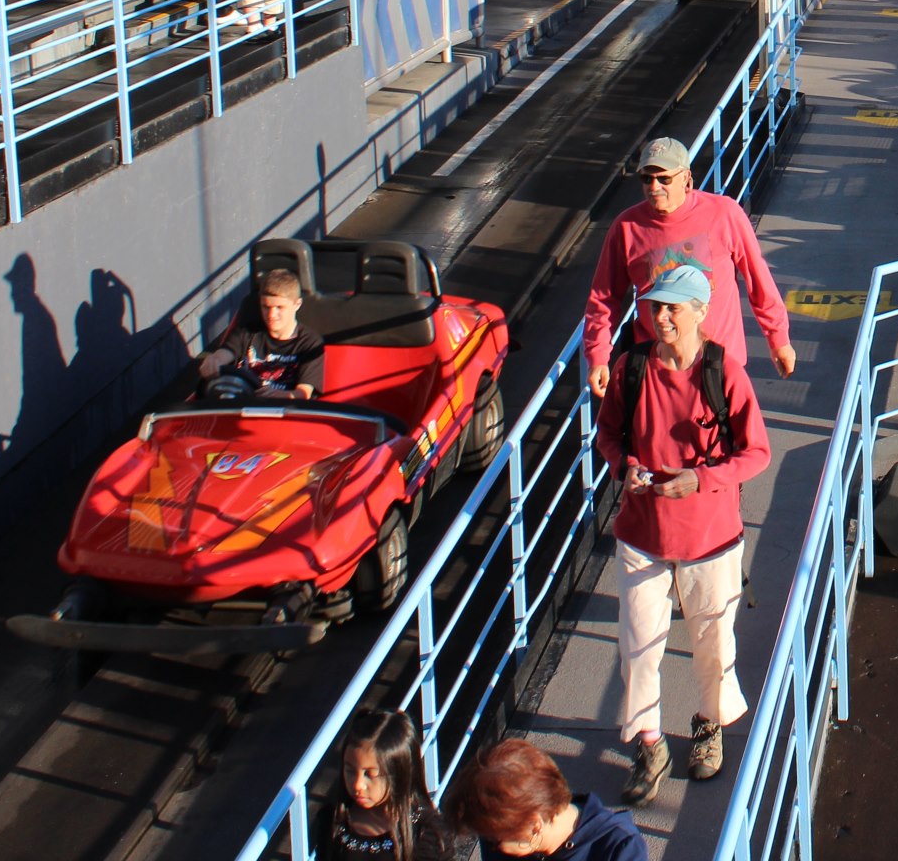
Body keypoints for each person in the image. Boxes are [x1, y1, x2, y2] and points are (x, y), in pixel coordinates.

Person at [595, 263, 771, 805]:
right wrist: (624, 465)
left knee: (713, 644)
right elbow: (607, 438)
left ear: (700, 312)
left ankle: (707, 726)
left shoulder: (725, 372)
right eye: (655, 306)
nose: (662, 315)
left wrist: (701, 479)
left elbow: (757, 453)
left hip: (709, 539)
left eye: (673, 307)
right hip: (642, 535)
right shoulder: (631, 367)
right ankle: (650, 746)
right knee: (638, 647)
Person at [583, 138, 796, 397]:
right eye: (646, 179)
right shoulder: (626, 227)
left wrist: (778, 338)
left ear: (686, 177)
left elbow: (758, 278)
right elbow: (604, 298)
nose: (654, 187)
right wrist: (598, 357)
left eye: (664, 179)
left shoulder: (724, 213)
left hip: (719, 368)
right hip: (657, 372)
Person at [446, 738, 646, 860]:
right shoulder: (501, 829)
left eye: (494, 841)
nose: (490, 846)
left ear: (534, 824)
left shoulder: (621, 849)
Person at [323, 708, 457, 860]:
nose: (358, 785)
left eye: (370, 775)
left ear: (398, 773)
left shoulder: (427, 833)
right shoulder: (332, 820)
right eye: (350, 771)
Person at [198, 268, 323, 399]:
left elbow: (303, 394)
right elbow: (225, 353)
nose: (271, 315)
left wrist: (277, 395)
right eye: (266, 307)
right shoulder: (246, 333)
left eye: (279, 307)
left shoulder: (310, 343)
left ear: (297, 304)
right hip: (244, 405)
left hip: (284, 412)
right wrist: (214, 361)